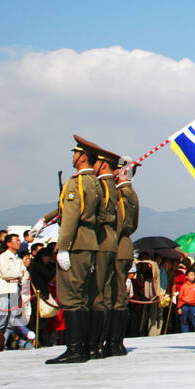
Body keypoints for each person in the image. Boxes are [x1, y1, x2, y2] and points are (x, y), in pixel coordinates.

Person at [47, 136, 107, 365]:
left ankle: (74, 349)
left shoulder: (78, 182)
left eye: (75, 153)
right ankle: (80, 347)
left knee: (71, 297)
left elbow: (71, 216)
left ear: (82, 157)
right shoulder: (96, 183)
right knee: (81, 297)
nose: (73, 156)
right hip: (88, 241)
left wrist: (63, 247)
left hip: (76, 243)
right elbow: (102, 215)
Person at [88, 143, 123, 357]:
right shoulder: (110, 185)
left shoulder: (106, 185)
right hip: (110, 241)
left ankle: (95, 344)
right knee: (106, 293)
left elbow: (111, 217)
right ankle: (107, 343)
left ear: (102, 164)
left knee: (98, 294)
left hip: (102, 241)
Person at [104, 161, 139, 357]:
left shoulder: (123, 193)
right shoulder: (129, 192)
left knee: (114, 297)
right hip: (124, 247)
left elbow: (122, 223)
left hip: (116, 247)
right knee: (117, 297)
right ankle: (115, 342)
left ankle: (114, 342)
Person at [0, 233, 35, 349]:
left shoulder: (18, 259)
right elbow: (7, 274)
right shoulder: (2, 257)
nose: (19, 242)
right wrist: (19, 275)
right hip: (3, 291)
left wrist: (21, 276)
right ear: (8, 243)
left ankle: (3, 345)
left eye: (19, 240)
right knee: (2, 318)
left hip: (15, 290)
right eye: (16, 240)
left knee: (11, 321)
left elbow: (25, 273)